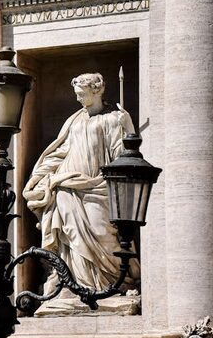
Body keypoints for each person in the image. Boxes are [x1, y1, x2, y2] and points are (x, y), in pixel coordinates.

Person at [23, 73, 136, 293]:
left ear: (97, 91)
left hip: (98, 185)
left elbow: (121, 155)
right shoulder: (74, 119)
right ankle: (74, 285)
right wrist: (38, 177)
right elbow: (60, 151)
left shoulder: (112, 119)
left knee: (101, 231)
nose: (78, 99)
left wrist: (129, 127)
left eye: (82, 94)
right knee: (70, 235)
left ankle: (110, 284)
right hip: (67, 185)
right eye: (76, 94)